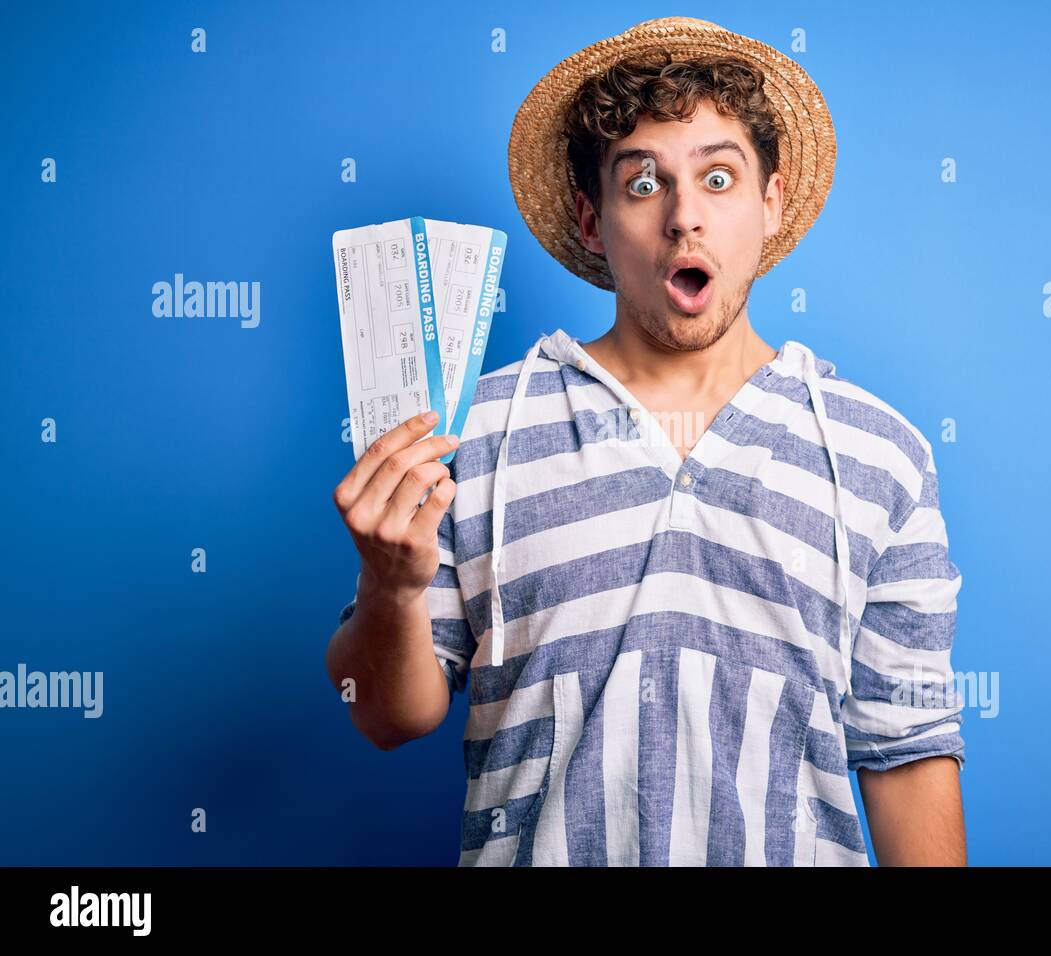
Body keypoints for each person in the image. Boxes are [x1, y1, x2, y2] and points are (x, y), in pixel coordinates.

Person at [326, 16, 967, 866]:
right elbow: (385, 716)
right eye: (643, 185)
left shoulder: (880, 456)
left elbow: (908, 752)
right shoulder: (473, 433)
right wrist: (389, 588)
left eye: (718, 178)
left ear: (770, 207)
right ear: (593, 225)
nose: (684, 219)